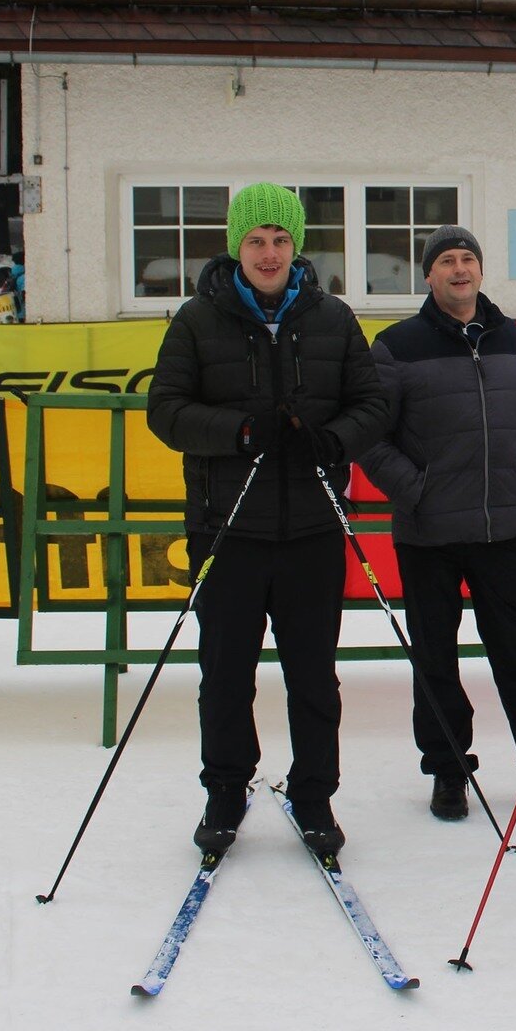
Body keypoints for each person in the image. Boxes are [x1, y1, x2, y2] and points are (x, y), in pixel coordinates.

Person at [146, 182, 391, 858]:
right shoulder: (197, 319)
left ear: (297, 246)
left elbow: (371, 404)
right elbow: (164, 409)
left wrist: (333, 440)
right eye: (256, 239)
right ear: (235, 246)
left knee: (314, 674)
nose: (269, 252)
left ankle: (314, 796)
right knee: (225, 671)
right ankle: (226, 790)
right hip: (227, 528)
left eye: (281, 239)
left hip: (311, 528)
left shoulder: (333, 318)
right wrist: (240, 430)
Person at [359, 225, 516, 821]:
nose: (458, 268)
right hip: (427, 535)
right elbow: (368, 435)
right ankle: (448, 771)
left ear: (479, 270)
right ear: (428, 275)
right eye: (445, 260)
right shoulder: (397, 346)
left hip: (501, 531)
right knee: (435, 660)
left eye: (467, 258)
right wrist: (415, 488)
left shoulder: (514, 342)